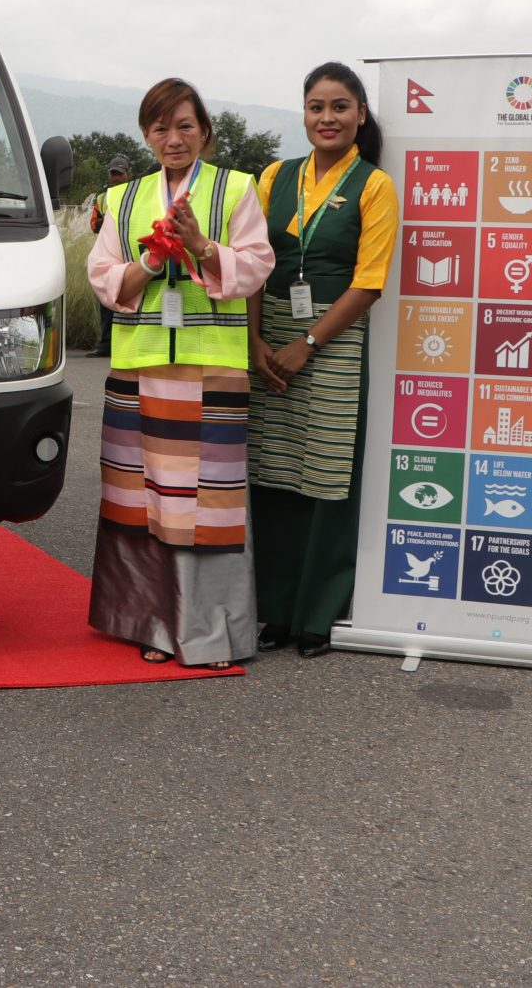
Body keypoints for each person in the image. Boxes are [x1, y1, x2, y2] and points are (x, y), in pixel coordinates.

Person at [86, 79, 276, 669]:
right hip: (140, 366)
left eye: (185, 126)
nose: (174, 138)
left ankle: (212, 632)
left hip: (213, 366)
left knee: (210, 504)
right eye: (161, 128)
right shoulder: (122, 199)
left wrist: (201, 245)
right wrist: (151, 260)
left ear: (205, 132)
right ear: (146, 134)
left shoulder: (237, 188)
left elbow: (257, 266)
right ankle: (151, 622)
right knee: (144, 500)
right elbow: (104, 275)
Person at [247, 62, 398, 657]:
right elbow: (255, 263)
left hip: (331, 338)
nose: (327, 118)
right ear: (303, 114)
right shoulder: (273, 176)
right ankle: (275, 611)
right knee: (273, 471)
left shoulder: (374, 185)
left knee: (328, 475)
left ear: (360, 114)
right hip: (268, 337)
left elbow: (369, 282)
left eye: (340, 107)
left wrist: (305, 345)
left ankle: (318, 615)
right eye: (316, 107)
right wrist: (256, 340)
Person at [86, 157, 135, 356]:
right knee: (107, 299)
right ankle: (106, 344)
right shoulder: (102, 198)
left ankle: (129, 345)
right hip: (108, 255)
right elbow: (93, 225)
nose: (116, 178)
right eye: (113, 173)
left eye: (120, 174)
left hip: (130, 254)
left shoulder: (137, 194)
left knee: (132, 299)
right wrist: (104, 221)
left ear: (128, 175)